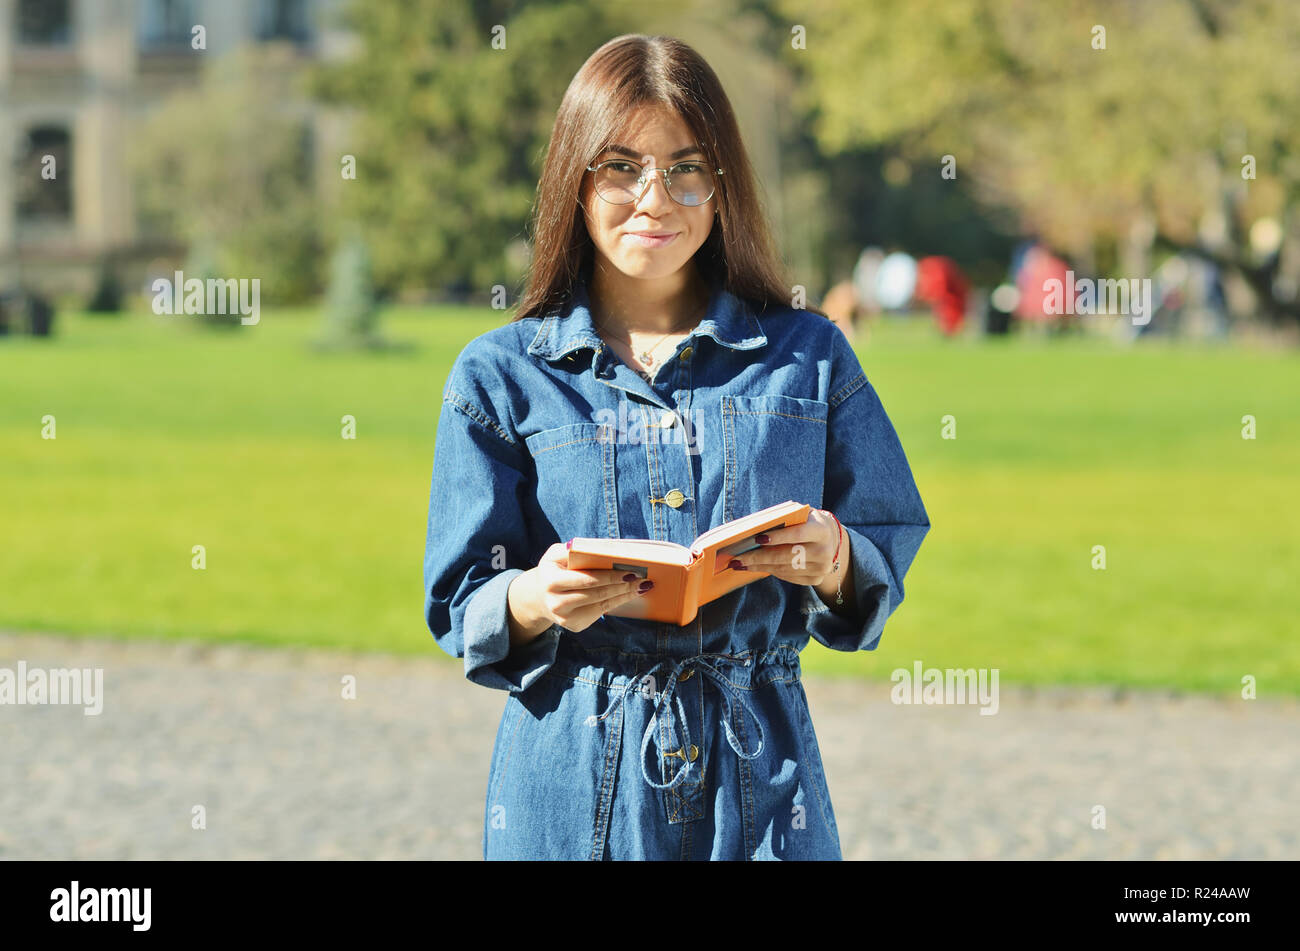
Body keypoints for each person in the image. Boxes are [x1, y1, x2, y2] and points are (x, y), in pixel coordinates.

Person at [423, 34, 930, 861]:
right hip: (571, 775)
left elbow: (884, 542)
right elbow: (459, 601)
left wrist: (834, 556)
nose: (654, 197)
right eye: (621, 166)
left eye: (686, 168)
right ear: (574, 180)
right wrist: (537, 597)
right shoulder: (499, 375)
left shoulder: (810, 354)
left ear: (722, 187)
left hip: (762, 777)